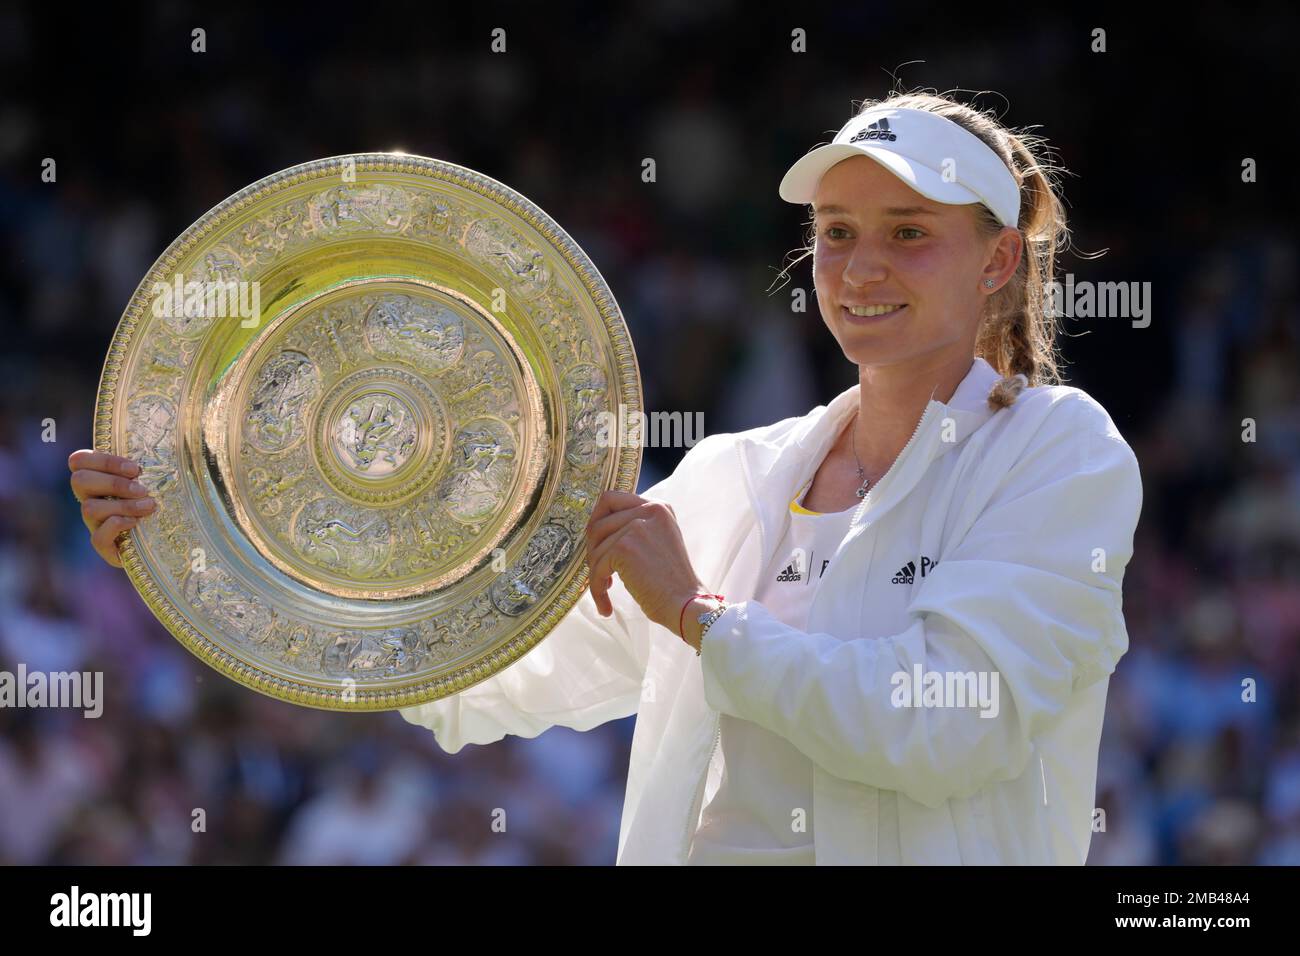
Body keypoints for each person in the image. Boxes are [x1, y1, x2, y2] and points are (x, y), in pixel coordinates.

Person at [69, 91, 1143, 865]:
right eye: (835, 234)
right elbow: (483, 675)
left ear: (997, 261)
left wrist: (699, 616)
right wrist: (200, 550)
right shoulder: (731, 475)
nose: (860, 268)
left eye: (909, 235)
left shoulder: (1058, 453)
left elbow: (940, 726)